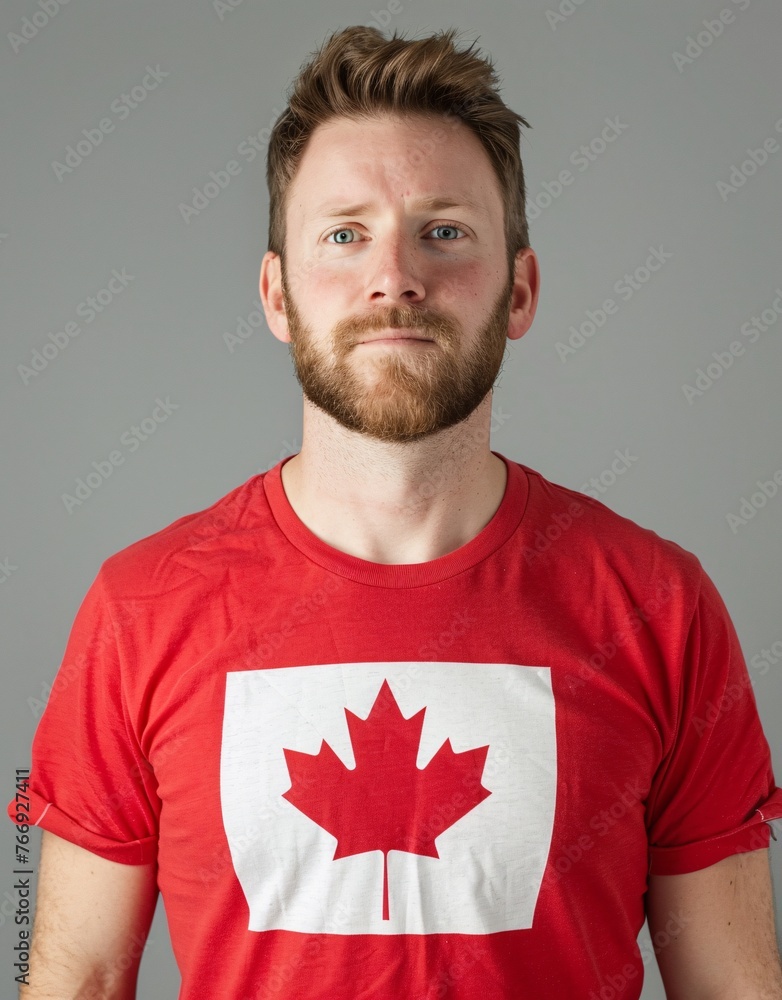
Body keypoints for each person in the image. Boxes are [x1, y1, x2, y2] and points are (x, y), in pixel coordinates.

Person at [8, 24, 782, 1000]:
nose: (394, 277)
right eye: (344, 235)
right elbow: (73, 977)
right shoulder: (140, 608)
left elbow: (736, 988)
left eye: (444, 231)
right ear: (277, 295)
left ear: (519, 290)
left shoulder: (657, 606)